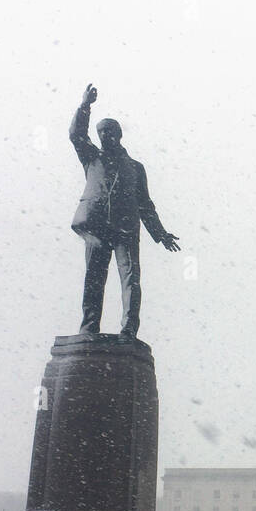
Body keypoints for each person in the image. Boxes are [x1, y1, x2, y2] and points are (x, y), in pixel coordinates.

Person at [69, 83, 181, 338]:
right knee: (93, 279)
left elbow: (145, 204)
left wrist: (161, 234)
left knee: (130, 279)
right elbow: (76, 135)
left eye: (108, 132)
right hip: (96, 225)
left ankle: (129, 330)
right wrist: (85, 106)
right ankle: (89, 328)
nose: (104, 136)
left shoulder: (135, 167)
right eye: (101, 132)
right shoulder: (92, 158)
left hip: (126, 228)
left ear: (118, 135)